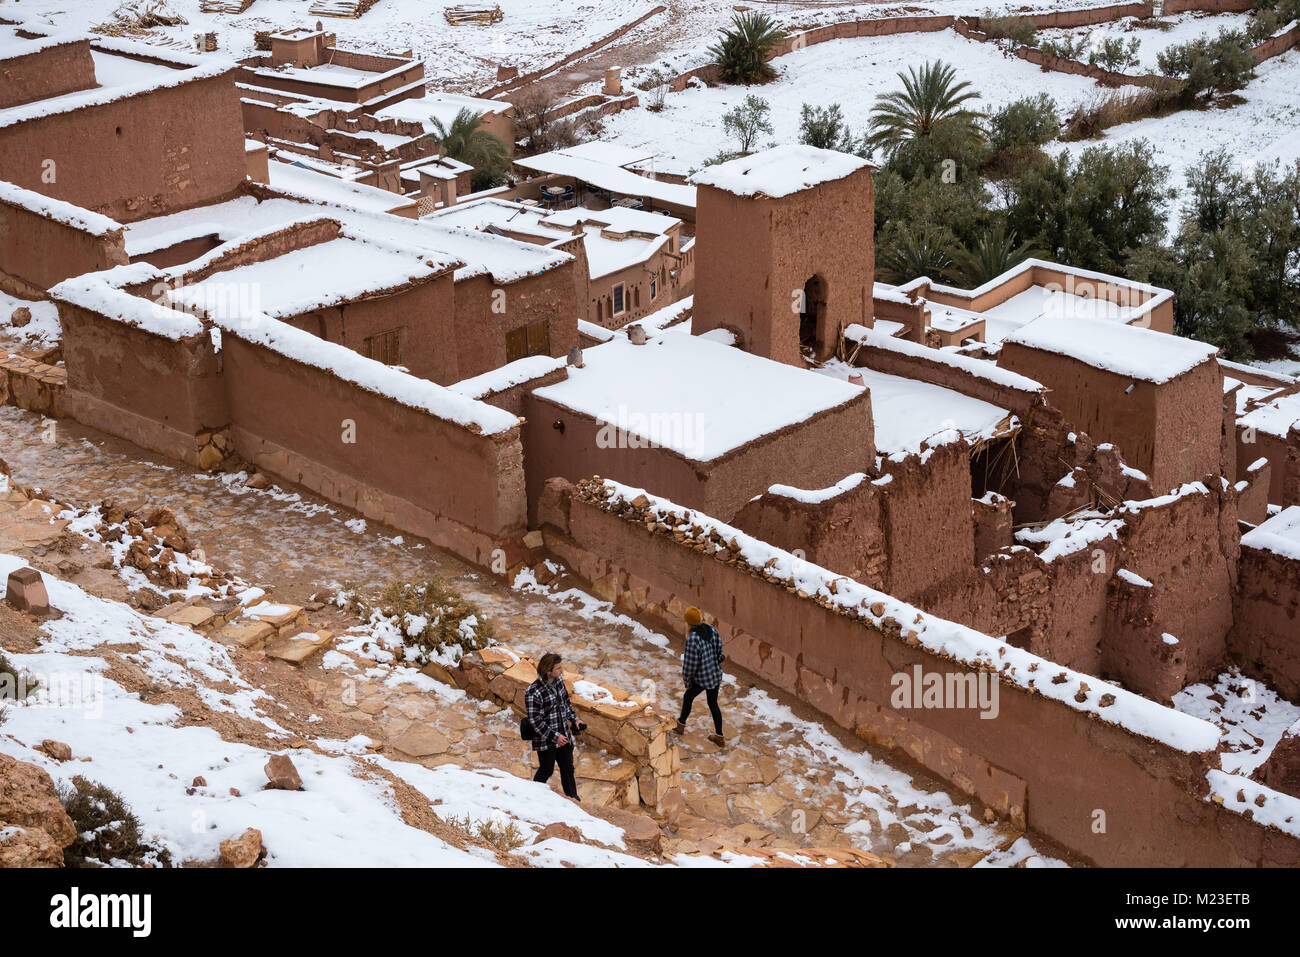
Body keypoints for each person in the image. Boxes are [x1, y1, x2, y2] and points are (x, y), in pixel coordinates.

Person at [525, 652, 585, 800]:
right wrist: (555, 737)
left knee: (568, 769)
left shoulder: (558, 681)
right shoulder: (533, 692)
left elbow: (565, 704)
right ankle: (533, 796)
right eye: (558, 668)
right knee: (546, 770)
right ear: (548, 671)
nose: (561, 671)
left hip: (564, 735)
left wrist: (575, 720)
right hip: (546, 740)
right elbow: (536, 721)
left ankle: (573, 799)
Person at [676, 606, 726, 745]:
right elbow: (719, 649)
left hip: (701, 678)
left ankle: (680, 725)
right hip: (715, 674)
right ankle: (719, 736)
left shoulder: (693, 639)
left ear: (688, 622)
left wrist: (687, 680)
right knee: (713, 703)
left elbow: (690, 665)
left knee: (688, 697)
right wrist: (716, 659)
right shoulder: (711, 629)